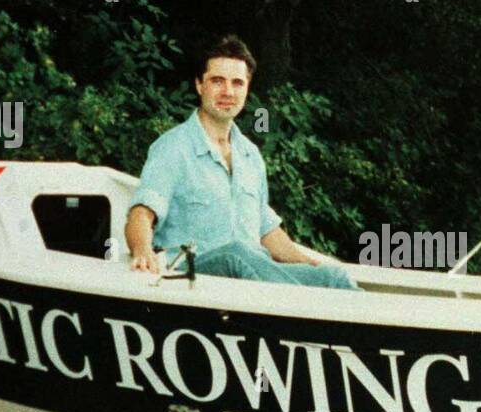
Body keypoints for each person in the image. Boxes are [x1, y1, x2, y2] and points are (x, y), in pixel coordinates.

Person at [126, 35, 356, 290]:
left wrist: (309, 265)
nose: (228, 91)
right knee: (237, 254)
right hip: (192, 281)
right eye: (217, 81)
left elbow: (266, 231)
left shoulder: (250, 155)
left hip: (251, 280)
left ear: (247, 88)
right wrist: (142, 250)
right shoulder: (173, 148)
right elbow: (141, 213)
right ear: (200, 85)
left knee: (335, 277)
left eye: (237, 83)